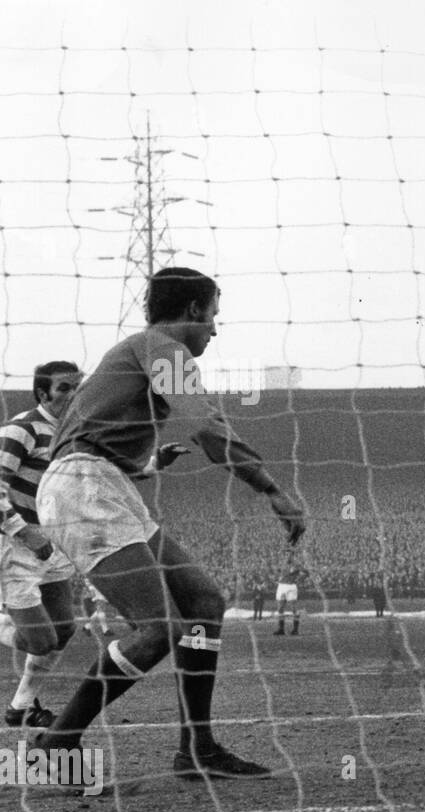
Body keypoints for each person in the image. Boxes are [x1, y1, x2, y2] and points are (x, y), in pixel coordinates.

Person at [32, 265, 306, 780]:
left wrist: (136, 466)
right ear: (195, 310)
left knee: (204, 603)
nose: (215, 331)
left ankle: (197, 749)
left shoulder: (135, 355)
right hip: (85, 487)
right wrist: (272, 490)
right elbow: (203, 424)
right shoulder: (163, 346)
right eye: (214, 317)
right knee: (159, 629)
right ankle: (54, 743)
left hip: (102, 484)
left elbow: (83, 435)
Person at [0, 361, 84, 728]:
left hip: (53, 540)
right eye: (64, 388)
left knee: (64, 629)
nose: (73, 394)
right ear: (42, 394)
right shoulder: (22, 428)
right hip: (16, 543)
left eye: (77, 387)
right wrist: (24, 532)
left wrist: (150, 465)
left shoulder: (73, 431)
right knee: (41, 639)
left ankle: (20, 708)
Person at [275, 557, 302, 635]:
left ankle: (295, 629)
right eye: (286, 554)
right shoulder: (282, 563)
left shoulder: (296, 564)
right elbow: (278, 571)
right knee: (280, 608)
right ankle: (281, 629)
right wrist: (278, 577)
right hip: (281, 586)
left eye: (289, 554)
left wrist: (298, 579)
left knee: (293, 608)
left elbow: (305, 573)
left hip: (291, 586)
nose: (287, 556)